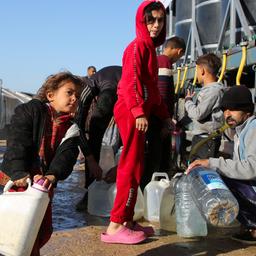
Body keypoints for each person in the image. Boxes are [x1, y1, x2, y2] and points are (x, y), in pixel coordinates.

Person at [101, 0, 174, 245]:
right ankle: (114, 225)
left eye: (160, 20)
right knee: (130, 167)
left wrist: (164, 115)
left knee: (137, 166)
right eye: (150, 20)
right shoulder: (138, 46)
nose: (155, 25)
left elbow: (152, 89)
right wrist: (138, 111)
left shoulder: (149, 49)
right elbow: (130, 81)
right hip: (132, 112)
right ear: (141, 21)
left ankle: (127, 220)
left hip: (138, 111)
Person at [0, 71, 82, 255]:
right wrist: (19, 172)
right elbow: (18, 142)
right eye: (69, 92)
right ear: (50, 95)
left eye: (77, 94)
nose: (74, 98)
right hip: (15, 179)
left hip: (42, 185)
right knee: (15, 232)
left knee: (41, 231)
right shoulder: (30, 110)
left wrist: (53, 175)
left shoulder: (72, 127)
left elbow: (67, 156)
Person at [187, 85, 256, 244]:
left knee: (219, 180)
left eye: (233, 109)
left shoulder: (253, 129)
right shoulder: (241, 129)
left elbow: (252, 168)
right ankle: (250, 225)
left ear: (247, 111)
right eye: (225, 110)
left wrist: (212, 163)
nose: (227, 114)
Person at [75, 66, 122, 211]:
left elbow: (78, 125)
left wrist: (120, 168)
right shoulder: (90, 85)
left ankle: (124, 192)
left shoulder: (88, 87)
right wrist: (91, 160)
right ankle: (90, 191)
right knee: (94, 138)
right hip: (122, 90)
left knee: (125, 142)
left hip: (125, 95)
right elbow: (78, 128)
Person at [141, 36, 185, 189]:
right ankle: (152, 193)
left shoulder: (156, 60)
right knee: (157, 159)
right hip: (158, 120)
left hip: (153, 118)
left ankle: (147, 192)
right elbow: (163, 93)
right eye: (180, 56)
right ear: (178, 51)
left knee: (153, 158)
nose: (178, 59)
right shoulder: (164, 62)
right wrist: (166, 122)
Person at [184, 53, 224, 162]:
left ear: (202, 71)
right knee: (195, 167)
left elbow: (198, 114)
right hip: (202, 138)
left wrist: (188, 101)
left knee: (202, 171)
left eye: (197, 71)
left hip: (207, 140)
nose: (196, 74)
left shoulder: (213, 91)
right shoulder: (208, 90)